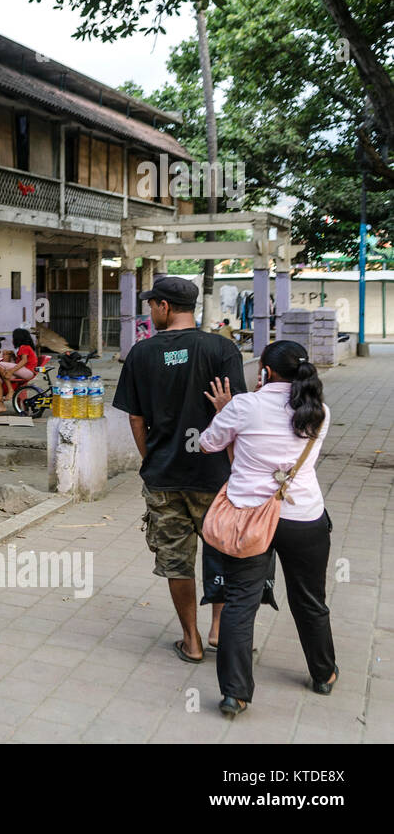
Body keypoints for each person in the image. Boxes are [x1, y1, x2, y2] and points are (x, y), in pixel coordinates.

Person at [112, 276, 247, 664]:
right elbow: (236, 414)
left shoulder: (141, 354)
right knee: (220, 551)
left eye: (152, 304)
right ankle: (219, 629)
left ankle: (191, 640)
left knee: (175, 559)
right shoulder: (222, 349)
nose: (150, 311)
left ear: (164, 307)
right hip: (215, 474)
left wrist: (150, 459)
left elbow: (136, 420)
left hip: (165, 476)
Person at [200, 340, 335, 718]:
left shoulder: (245, 405)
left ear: (265, 371)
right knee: (309, 599)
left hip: (248, 518)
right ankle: (324, 673)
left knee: (240, 603)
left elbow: (210, 444)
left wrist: (226, 412)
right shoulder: (318, 411)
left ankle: (235, 694)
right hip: (303, 517)